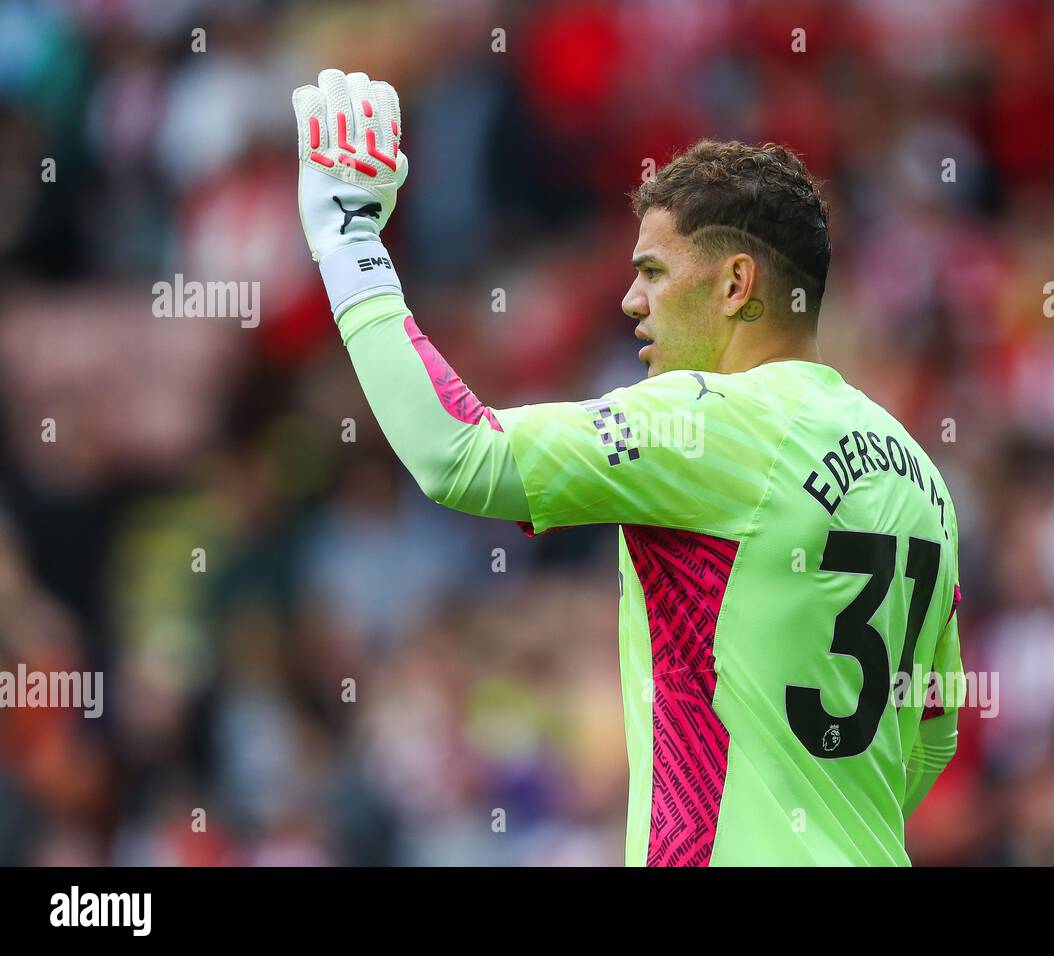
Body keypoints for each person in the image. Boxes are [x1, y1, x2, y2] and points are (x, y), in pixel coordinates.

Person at [292, 69, 965, 866]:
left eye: (652, 271)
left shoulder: (712, 422)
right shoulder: (920, 475)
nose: (629, 302)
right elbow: (933, 732)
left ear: (737, 286)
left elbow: (458, 453)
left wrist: (351, 245)